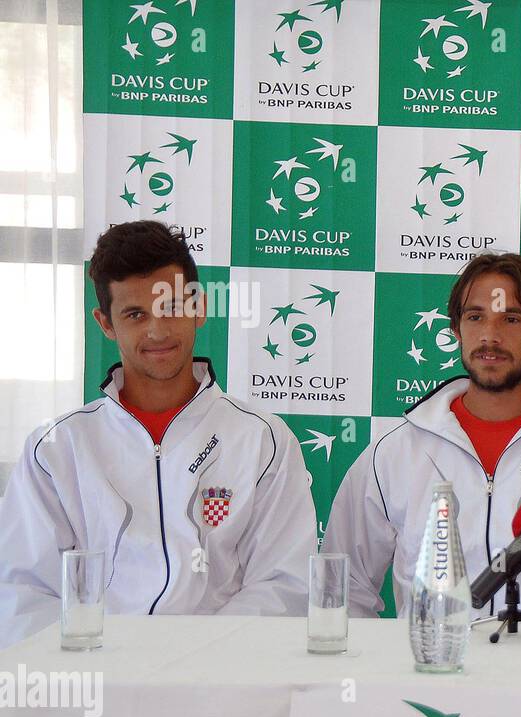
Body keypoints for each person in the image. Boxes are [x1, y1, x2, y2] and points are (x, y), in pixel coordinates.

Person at [0, 220, 316, 645]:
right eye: (135, 314)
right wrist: (109, 660)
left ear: (199, 307)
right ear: (106, 324)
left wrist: (192, 661)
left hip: (221, 688)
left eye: (171, 308)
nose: (157, 331)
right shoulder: (57, 449)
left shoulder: (263, 439)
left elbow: (287, 584)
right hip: (99, 688)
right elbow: (23, 592)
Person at [324, 252, 521, 623]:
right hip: (431, 667)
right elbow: (344, 588)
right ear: (456, 330)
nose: (490, 336)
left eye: (510, 319)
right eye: (476, 317)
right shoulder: (395, 451)